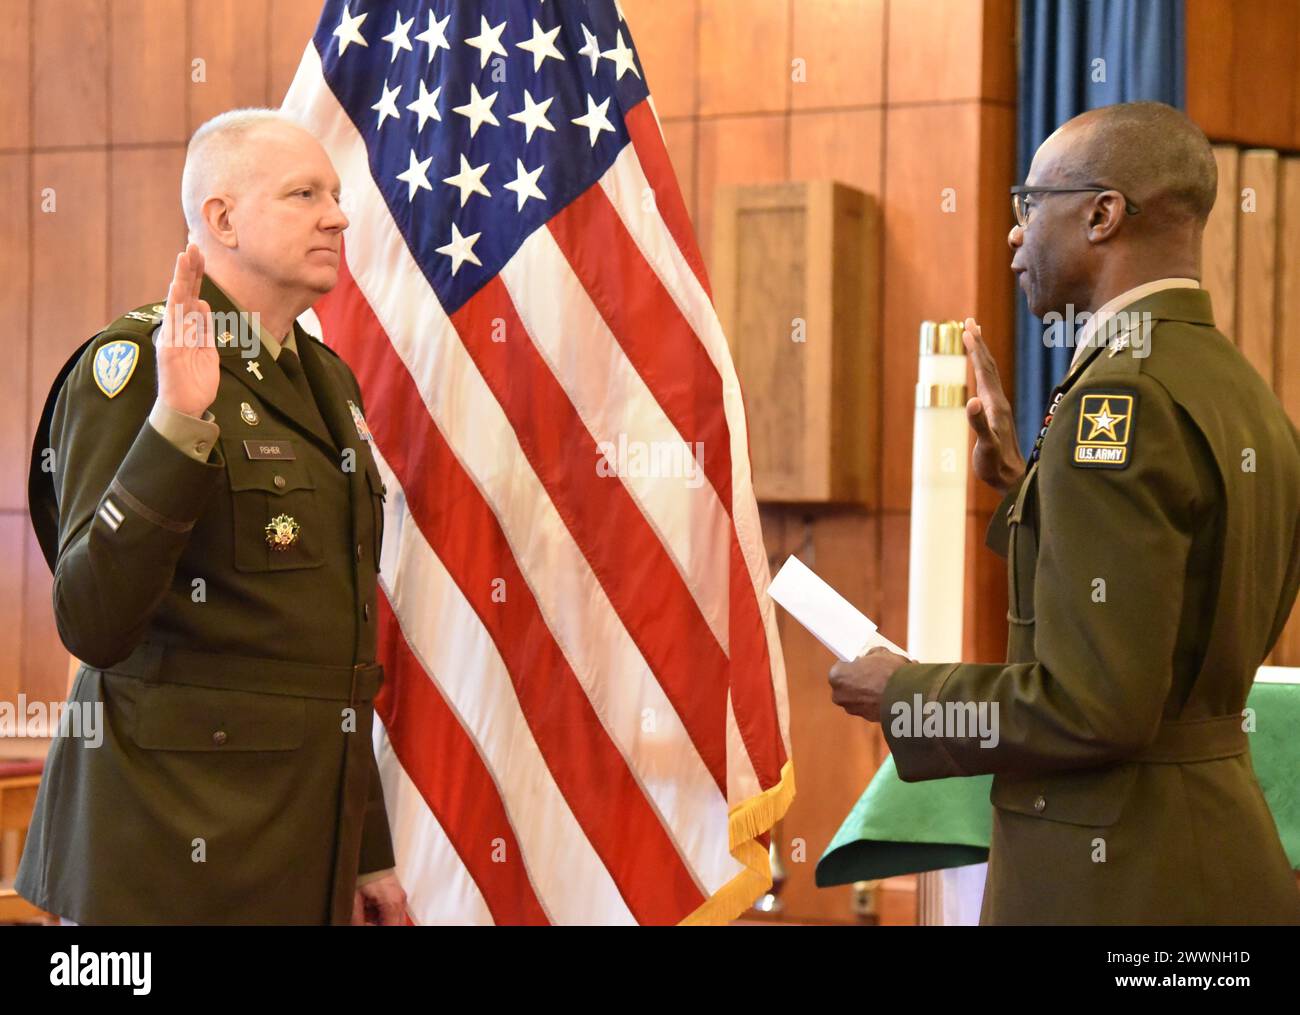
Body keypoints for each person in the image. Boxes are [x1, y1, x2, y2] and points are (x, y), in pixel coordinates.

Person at [827, 101, 1300, 924]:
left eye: (1028, 206)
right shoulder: (1241, 390)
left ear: (1102, 214)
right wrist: (1024, 484)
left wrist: (906, 693)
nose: (1015, 235)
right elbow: (1164, 581)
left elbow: (1095, 706)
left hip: (1117, 882)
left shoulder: (1115, 397)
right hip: (1218, 854)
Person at [17, 108, 407, 925]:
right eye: (305, 194)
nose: (337, 214)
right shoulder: (133, 367)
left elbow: (328, 644)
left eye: (335, 194)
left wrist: (365, 849)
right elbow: (91, 617)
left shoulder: (329, 383)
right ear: (221, 218)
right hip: (163, 845)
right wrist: (176, 426)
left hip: (300, 841)